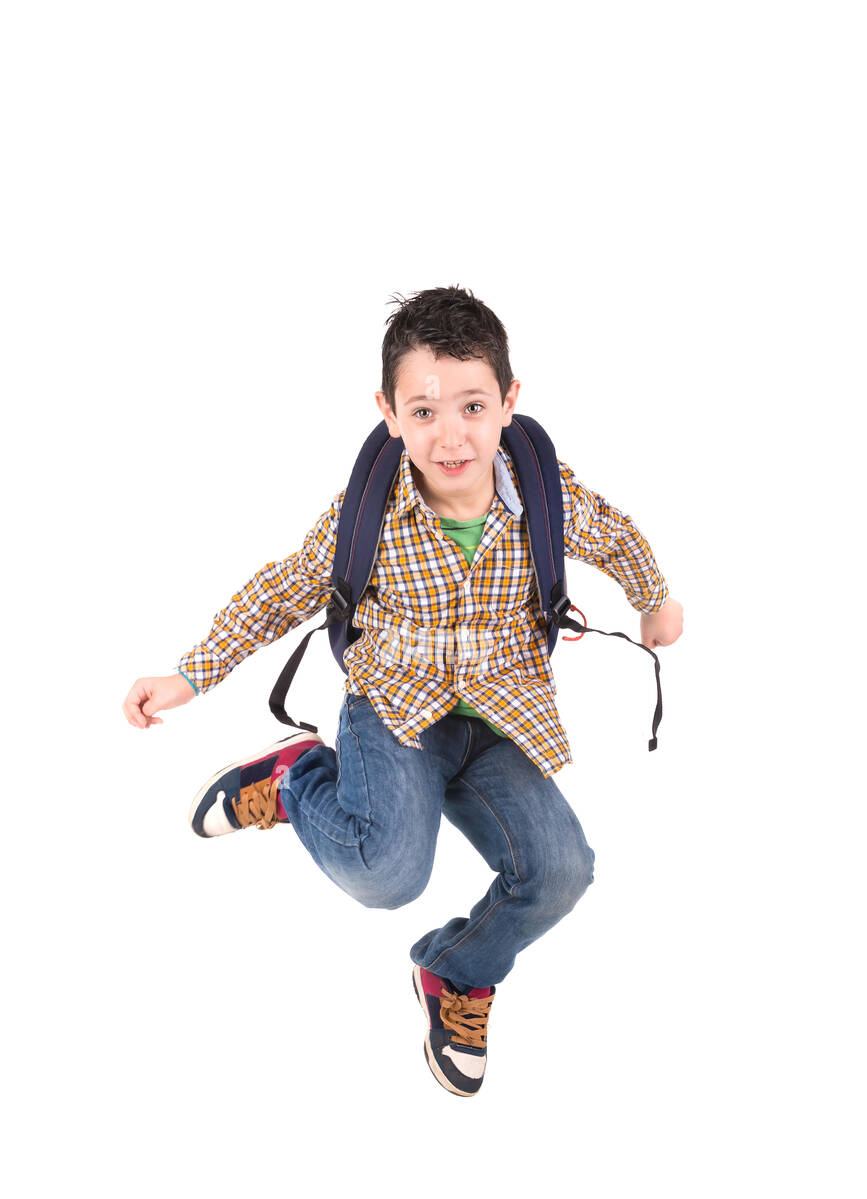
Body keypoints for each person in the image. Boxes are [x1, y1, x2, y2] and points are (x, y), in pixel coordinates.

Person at [122, 285, 684, 1098]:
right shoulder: (371, 512)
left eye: (471, 406)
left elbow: (617, 533)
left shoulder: (541, 493)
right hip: (394, 709)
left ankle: (457, 973)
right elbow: (281, 590)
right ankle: (295, 779)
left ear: (508, 403)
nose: (448, 434)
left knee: (560, 872)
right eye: (422, 412)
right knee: (384, 877)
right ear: (388, 413)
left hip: (497, 715)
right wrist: (189, 674)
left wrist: (654, 599)